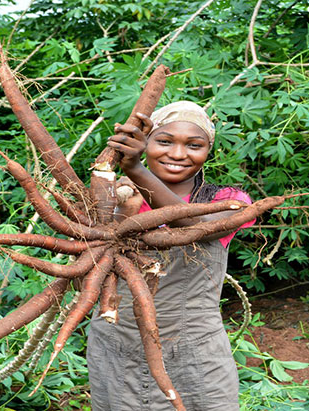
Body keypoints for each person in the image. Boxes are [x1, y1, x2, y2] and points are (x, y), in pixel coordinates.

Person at [87, 101, 254, 410]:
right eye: (165, 141)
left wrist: (136, 170)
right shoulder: (114, 197)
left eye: (194, 145)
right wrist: (122, 209)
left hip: (194, 351)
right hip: (116, 346)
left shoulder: (228, 201)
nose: (178, 154)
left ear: (208, 150)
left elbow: (195, 226)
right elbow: (92, 262)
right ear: (145, 142)